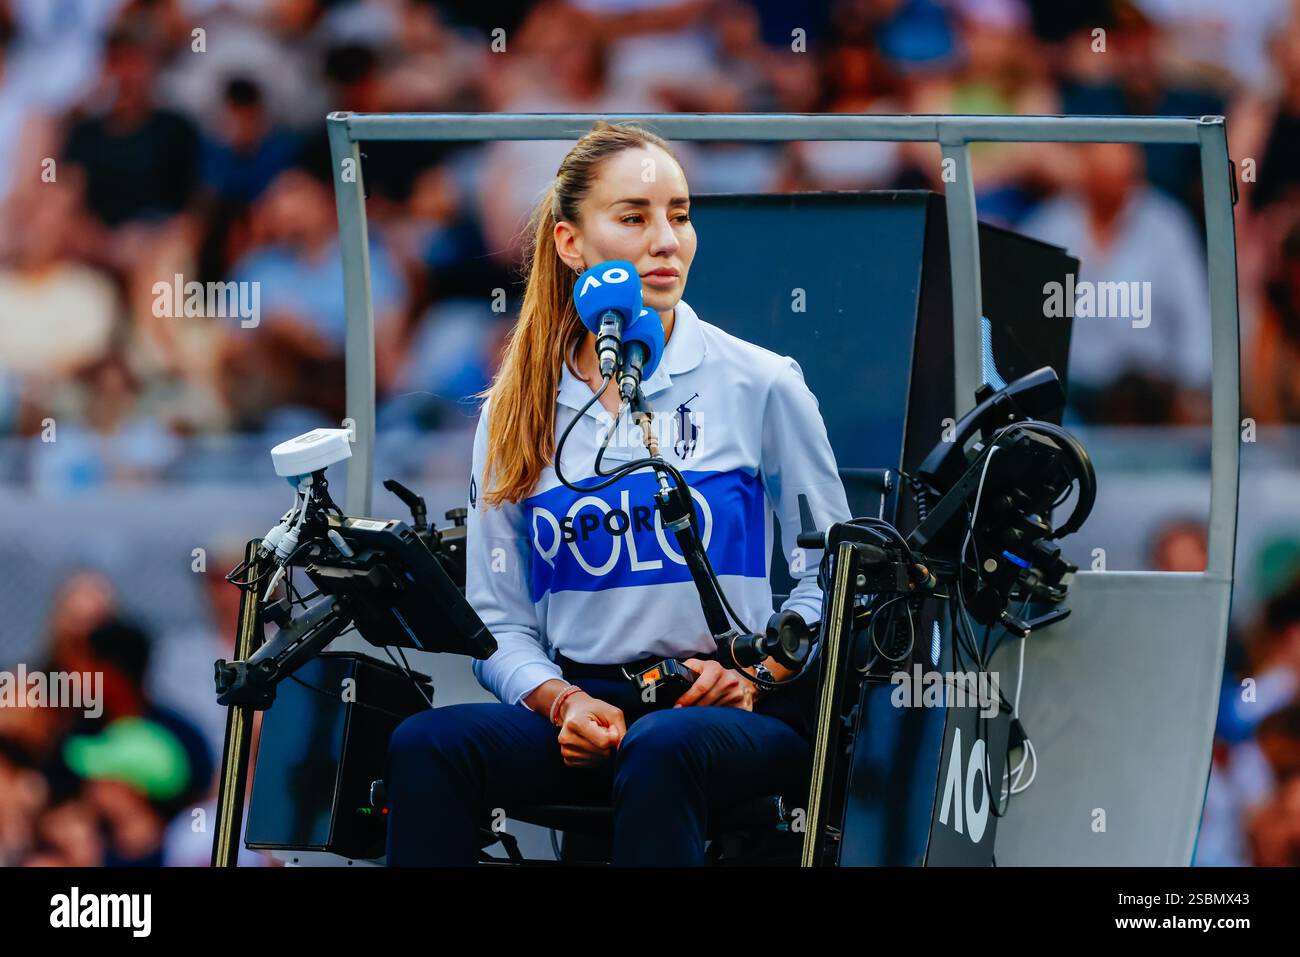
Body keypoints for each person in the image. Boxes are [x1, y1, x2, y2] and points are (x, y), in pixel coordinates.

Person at [384, 121, 851, 867]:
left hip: (728, 705)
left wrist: (761, 672)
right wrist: (558, 700)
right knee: (427, 744)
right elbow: (495, 619)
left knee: (663, 747)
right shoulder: (514, 409)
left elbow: (837, 571)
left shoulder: (759, 381)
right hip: (588, 705)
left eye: (680, 213)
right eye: (634, 217)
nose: (667, 239)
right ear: (571, 244)